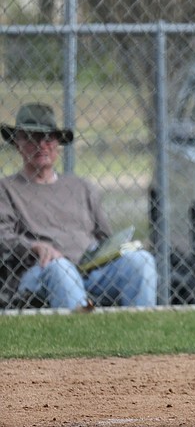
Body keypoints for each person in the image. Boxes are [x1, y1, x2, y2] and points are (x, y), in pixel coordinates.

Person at [0, 103, 157, 310]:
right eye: (31, 138)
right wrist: (34, 247)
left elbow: (105, 239)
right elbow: (3, 237)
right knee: (61, 268)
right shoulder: (7, 188)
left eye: (48, 138)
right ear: (17, 143)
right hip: (40, 270)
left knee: (141, 261)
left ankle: (140, 338)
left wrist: (113, 250)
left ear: (57, 143)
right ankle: (81, 338)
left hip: (91, 272)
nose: (41, 145)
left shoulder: (82, 187)